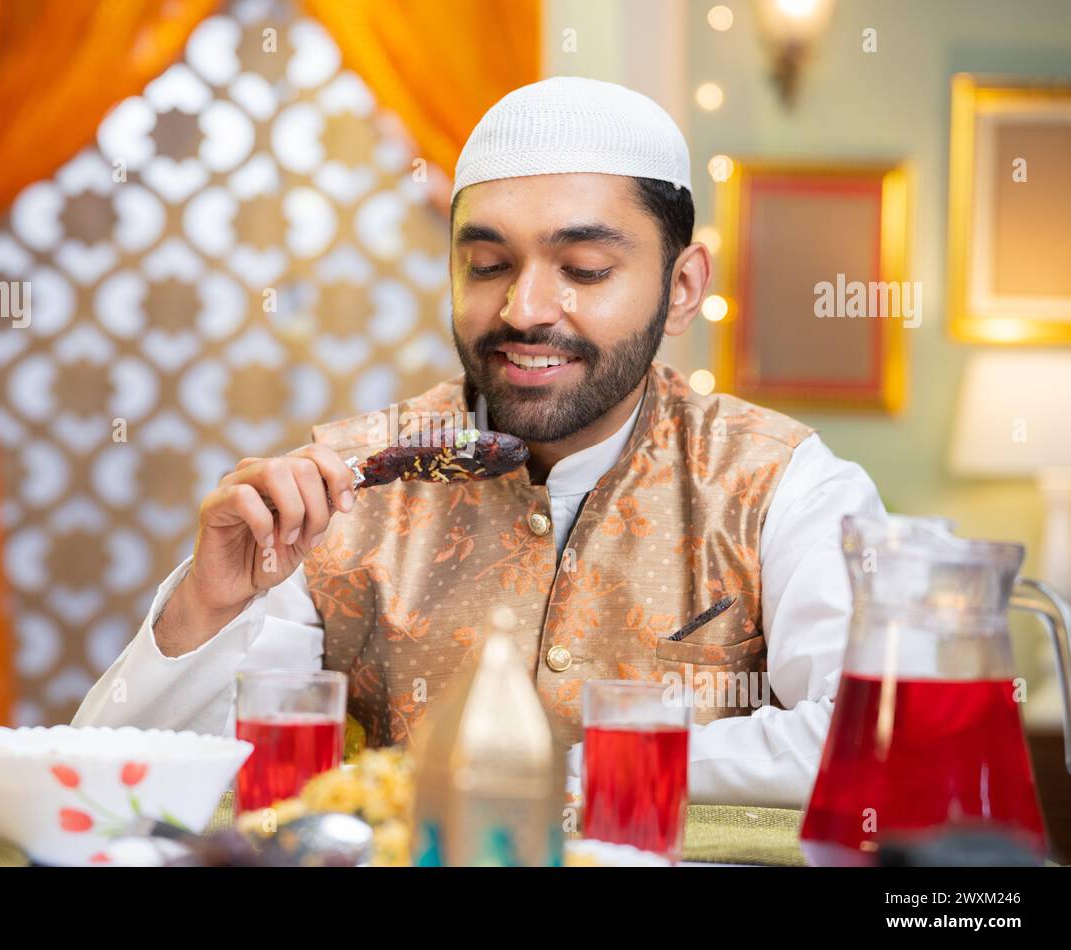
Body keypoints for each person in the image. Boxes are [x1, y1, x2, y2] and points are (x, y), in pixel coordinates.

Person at [74, 76, 884, 808]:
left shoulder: (785, 485)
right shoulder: (343, 487)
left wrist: (568, 768)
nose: (527, 307)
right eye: (489, 264)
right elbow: (127, 790)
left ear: (681, 287)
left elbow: (871, 741)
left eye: (586, 269)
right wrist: (211, 604)